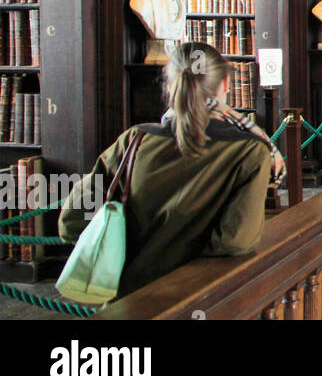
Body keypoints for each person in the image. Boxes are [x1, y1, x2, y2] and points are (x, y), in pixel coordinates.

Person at [58, 43, 285, 302]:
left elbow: (72, 222)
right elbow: (236, 241)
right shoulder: (250, 151)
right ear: (226, 83)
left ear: (169, 86)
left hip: (126, 298)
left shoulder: (133, 141)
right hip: (202, 299)